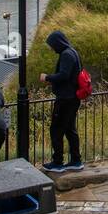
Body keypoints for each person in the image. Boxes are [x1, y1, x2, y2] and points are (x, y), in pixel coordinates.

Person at [40, 30, 83, 172]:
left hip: (65, 99)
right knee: (70, 129)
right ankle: (76, 160)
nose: (51, 48)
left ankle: (57, 162)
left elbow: (64, 75)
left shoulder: (66, 55)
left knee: (56, 130)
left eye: (52, 45)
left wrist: (47, 77)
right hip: (73, 98)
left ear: (58, 43)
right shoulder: (73, 52)